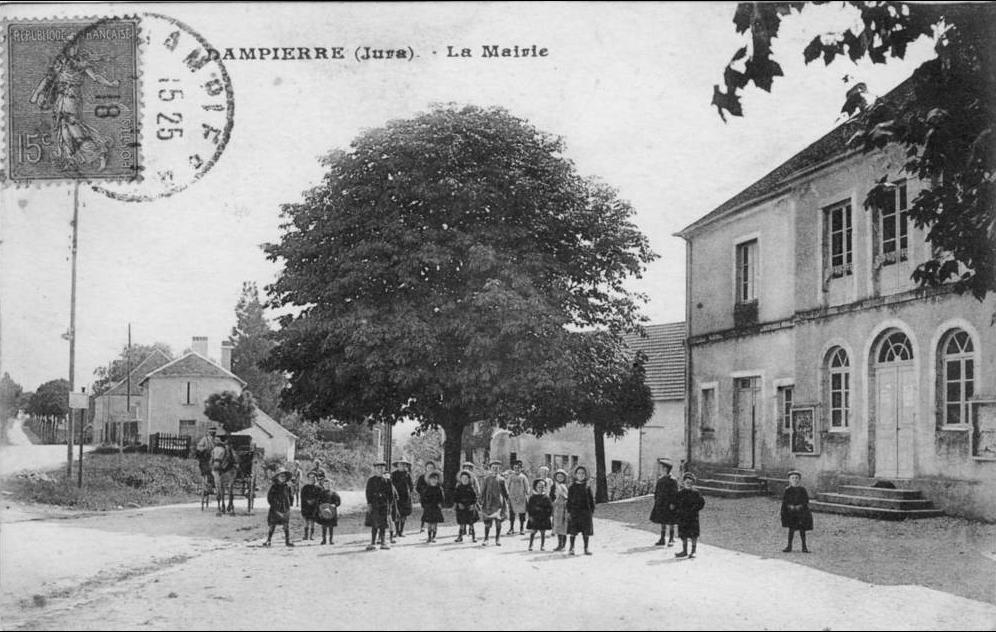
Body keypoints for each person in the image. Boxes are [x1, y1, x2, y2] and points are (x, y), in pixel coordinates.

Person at [674, 472, 705, 559]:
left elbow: (701, 503)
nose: (688, 484)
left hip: (693, 517)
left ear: (693, 483)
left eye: (690, 483)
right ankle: (684, 551)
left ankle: (693, 551)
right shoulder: (680, 493)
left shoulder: (696, 493)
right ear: (683, 482)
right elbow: (676, 503)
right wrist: (677, 511)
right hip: (683, 517)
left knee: (693, 534)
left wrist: (695, 509)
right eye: (687, 482)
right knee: (683, 533)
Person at [781, 470, 813, 553]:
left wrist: (800, 506)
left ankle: (804, 547)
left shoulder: (802, 490)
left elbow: (806, 500)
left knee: (802, 530)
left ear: (799, 479)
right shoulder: (788, 490)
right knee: (791, 529)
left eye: (796, 478)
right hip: (791, 513)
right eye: (792, 478)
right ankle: (789, 546)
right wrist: (790, 506)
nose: (795, 480)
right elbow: (785, 501)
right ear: (789, 480)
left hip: (801, 513)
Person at [566, 465, 596, 556]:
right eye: (579, 473)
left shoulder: (587, 487)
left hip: (585, 512)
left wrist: (591, 511)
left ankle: (586, 548)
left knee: (586, 531)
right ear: (575, 475)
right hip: (575, 512)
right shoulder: (572, 487)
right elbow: (569, 500)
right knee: (573, 531)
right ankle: (571, 548)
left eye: (583, 473)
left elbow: (591, 500)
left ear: (585, 475)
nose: (581, 475)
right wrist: (569, 511)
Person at [479, 460, 510, 546]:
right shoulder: (486, 479)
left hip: (499, 503)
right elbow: (483, 491)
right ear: (490, 469)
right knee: (487, 522)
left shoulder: (502, 480)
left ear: (499, 469)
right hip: (489, 503)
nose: (495, 470)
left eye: (497, 468)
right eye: (493, 468)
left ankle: (497, 539)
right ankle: (486, 539)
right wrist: (481, 500)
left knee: (498, 522)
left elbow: (506, 492)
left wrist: (507, 500)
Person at [649, 457, 679, 547]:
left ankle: (671, 538)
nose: (661, 470)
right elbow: (657, 491)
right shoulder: (661, 480)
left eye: (662, 468)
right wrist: (656, 501)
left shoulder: (673, 480)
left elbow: (675, 493)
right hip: (661, 504)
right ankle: (662, 538)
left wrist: (673, 503)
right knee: (662, 520)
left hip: (669, 504)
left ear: (666, 469)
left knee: (671, 521)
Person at [365, 461, 394, 551]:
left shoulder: (387, 481)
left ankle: (383, 542)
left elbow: (391, 495)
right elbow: (368, 493)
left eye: (382, 468)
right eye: (378, 468)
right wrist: (369, 503)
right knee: (374, 524)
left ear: (384, 469)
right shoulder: (371, 480)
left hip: (383, 505)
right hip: (374, 505)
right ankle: (373, 542)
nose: (380, 470)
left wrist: (389, 505)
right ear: (375, 469)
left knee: (383, 524)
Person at [264, 468, 295, 547]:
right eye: (281, 476)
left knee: (286, 525)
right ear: (277, 477)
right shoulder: (274, 487)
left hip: (285, 508)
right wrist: (274, 505)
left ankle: (287, 541)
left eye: (284, 476)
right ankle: (268, 540)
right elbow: (269, 497)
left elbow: (290, 496)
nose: (283, 478)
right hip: (275, 509)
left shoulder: (287, 487)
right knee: (272, 525)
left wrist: (290, 503)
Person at [526, 479, 554, 551]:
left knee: (542, 532)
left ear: (545, 488)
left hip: (543, 517)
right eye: (539, 487)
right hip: (534, 517)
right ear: (536, 487)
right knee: (533, 531)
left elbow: (550, 507)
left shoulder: (546, 497)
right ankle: (531, 545)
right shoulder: (532, 497)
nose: (540, 489)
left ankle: (542, 545)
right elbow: (529, 507)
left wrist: (548, 515)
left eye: (542, 487)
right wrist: (530, 516)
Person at [390, 459, 415, 538]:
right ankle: (397, 531)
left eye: (404, 464)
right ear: (397, 465)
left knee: (404, 514)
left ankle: (401, 531)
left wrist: (409, 492)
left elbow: (411, 485)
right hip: (396, 497)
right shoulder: (393, 474)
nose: (402, 466)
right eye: (400, 464)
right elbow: (391, 485)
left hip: (405, 497)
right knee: (396, 514)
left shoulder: (407, 474)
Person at [505, 460, 531, 535]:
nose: (517, 469)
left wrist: (527, 493)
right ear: (513, 468)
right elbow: (507, 485)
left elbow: (527, 486)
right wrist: (507, 495)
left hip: (521, 497)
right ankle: (511, 528)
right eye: (515, 468)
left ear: (521, 468)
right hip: (512, 497)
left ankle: (521, 528)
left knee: (522, 514)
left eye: (518, 468)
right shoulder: (511, 476)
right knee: (512, 513)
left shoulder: (523, 477)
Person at [453, 471, 479, 543]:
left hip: (470, 507)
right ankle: (460, 536)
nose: (464, 480)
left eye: (466, 479)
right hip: (461, 507)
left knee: (471, 522)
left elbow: (475, 497)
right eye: (463, 478)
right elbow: (455, 497)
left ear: (469, 479)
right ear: (460, 479)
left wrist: (473, 505)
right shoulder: (458, 487)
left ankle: (473, 536)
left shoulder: (471, 488)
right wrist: (458, 503)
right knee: (461, 522)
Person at [420, 472, 445, 543]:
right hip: (428, 508)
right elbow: (423, 498)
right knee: (429, 523)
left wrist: (440, 504)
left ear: (437, 480)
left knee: (434, 523)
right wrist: (424, 505)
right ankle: (429, 536)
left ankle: (434, 536)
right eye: (432, 479)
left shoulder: (439, 489)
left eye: (435, 479)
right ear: (429, 480)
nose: (433, 481)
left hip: (436, 507)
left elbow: (442, 498)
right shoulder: (426, 489)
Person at [316, 476, 342, 545]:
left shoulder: (334, 493)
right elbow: (318, 502)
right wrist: (320, 507)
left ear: (331, 485)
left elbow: (338, 501)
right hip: (323, 511)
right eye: (325, 484)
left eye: (328, 484)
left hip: (331, 512)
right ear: (323, 485)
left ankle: (331, 540)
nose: (327, 485)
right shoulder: (321, 493)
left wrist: (335, 504)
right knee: (324, 526)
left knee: (331, 526)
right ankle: (324, 540)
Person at [415, 461, 439, 533]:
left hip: (434, 497)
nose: (430, 469)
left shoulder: (436, 477)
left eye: (431, 467)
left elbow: (439, 486)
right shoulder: (422, 477)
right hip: (425, 498)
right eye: (428, 467)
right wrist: (423, 491)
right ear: (426, 468)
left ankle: (433, 527)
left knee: (434, 512)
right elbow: (418, 487)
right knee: (425, 511)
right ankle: (422, 526)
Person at [550, 468, 569, 552]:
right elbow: (551, 495)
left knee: (564, 527)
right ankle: (559, 544)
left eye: (561, 476)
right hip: (557, 507)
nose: (560, 478)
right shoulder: (554, 486)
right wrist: (553, 502)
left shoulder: (566, 486)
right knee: (557, 526)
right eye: (558, 476)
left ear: (564, 477)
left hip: (564, 508)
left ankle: (563, 545)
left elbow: (568, 496)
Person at [299, 470, 322, 541]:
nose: (312, 479)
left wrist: (315, 501)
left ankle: (311, 536)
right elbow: (302, 497)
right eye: (310, 478)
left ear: (316, 479)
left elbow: (320, 497)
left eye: (313, 478)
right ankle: (305, 535)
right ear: (308, 479)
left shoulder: (318, 488)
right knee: (306, 521)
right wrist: (307, 501)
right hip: (306, 507)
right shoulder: (305, 488)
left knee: (312, 521)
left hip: (314, 507)